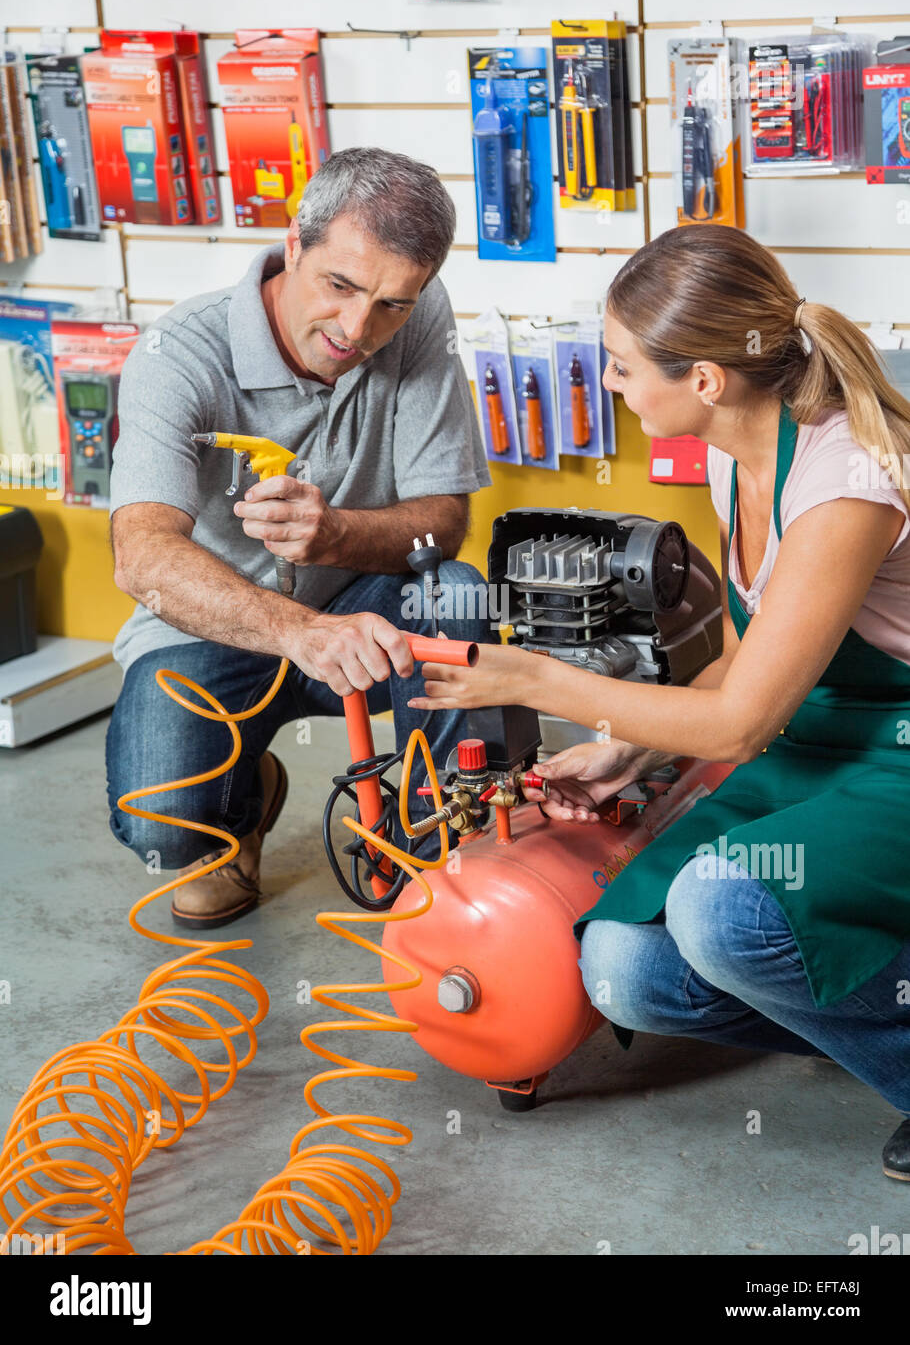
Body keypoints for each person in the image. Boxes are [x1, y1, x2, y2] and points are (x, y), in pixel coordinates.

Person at [407, 224, 910, 1183]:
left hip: (895, 752)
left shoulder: (843, 477)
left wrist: (533, 679)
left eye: (622, 364)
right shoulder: (734, 457)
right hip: (811, 739)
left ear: (706, 380)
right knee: (622, 973)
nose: (609, 383)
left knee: (723, 913)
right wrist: (627, 747)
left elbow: (742, 725)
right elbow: (742, 667)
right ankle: (852, 988)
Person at [106, 147, 498, 930]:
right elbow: (141, 557)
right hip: (210, 629)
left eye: (391, 304)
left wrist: (336, 535)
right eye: (339, 286)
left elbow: (444, 524)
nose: (359, 329)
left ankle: (438, 839)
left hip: (360, 610)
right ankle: (242, 801)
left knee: (454, 595)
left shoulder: (420, 312)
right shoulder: (176, 355)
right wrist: (299, 632)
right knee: (161, 825)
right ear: (293, 245)